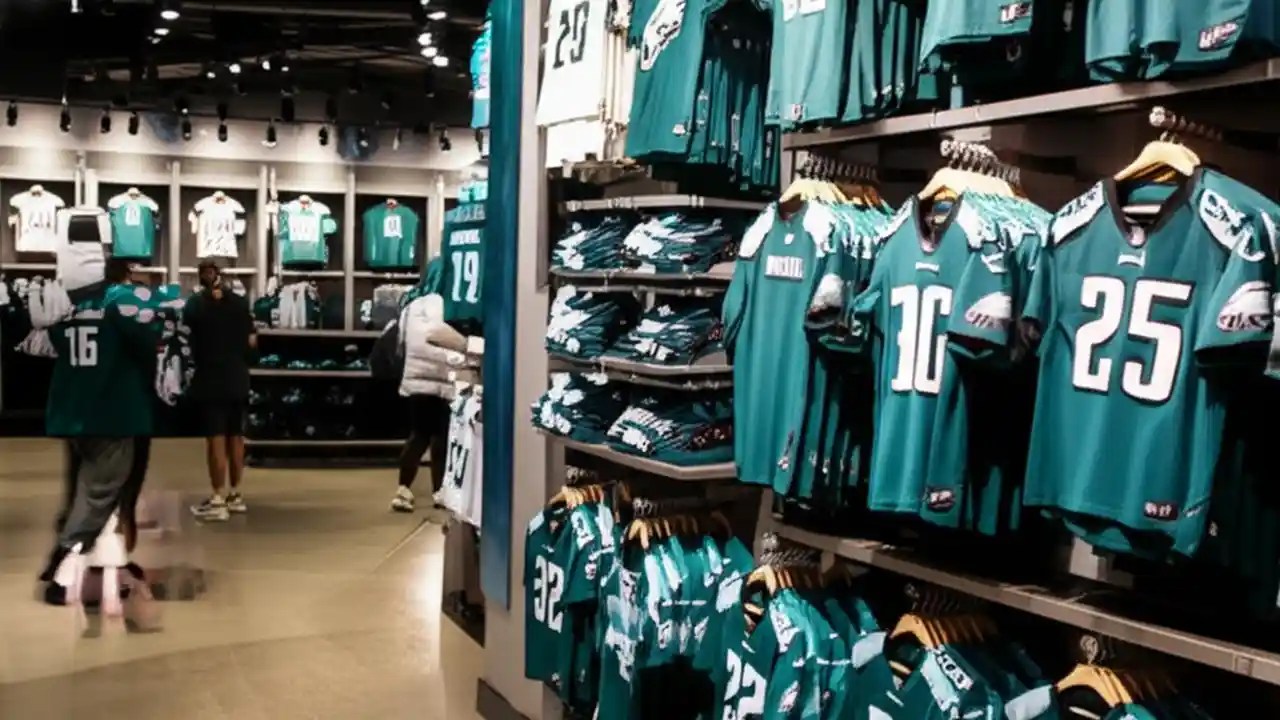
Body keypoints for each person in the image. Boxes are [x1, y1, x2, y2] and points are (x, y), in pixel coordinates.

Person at [40, 257, 160, 603]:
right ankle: (63, 570)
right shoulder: (122, 308)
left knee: (87, 490)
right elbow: (147, 343)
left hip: (76, 415)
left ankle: (105, 562)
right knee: (100, 493)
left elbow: (51, 344)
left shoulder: (72, 309)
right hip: (112, 414)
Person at [392, 267, 476, 514]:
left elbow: (406, 343)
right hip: (440, 381)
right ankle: (439, 490)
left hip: (415, 381)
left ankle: (403, 488)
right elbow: (438, 340)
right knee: (440, 438)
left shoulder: (411, 306)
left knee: (418, 435)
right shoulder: (443, 304)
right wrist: (463, 359)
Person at [185, 261, 256, 522]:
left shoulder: (195, 305)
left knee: (216, 437)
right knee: (236, 437)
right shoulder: (240, 303)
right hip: (238, 376)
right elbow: (252, 343)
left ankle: (217, 498)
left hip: (211, 377)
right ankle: (235, 495)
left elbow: (187, 341)